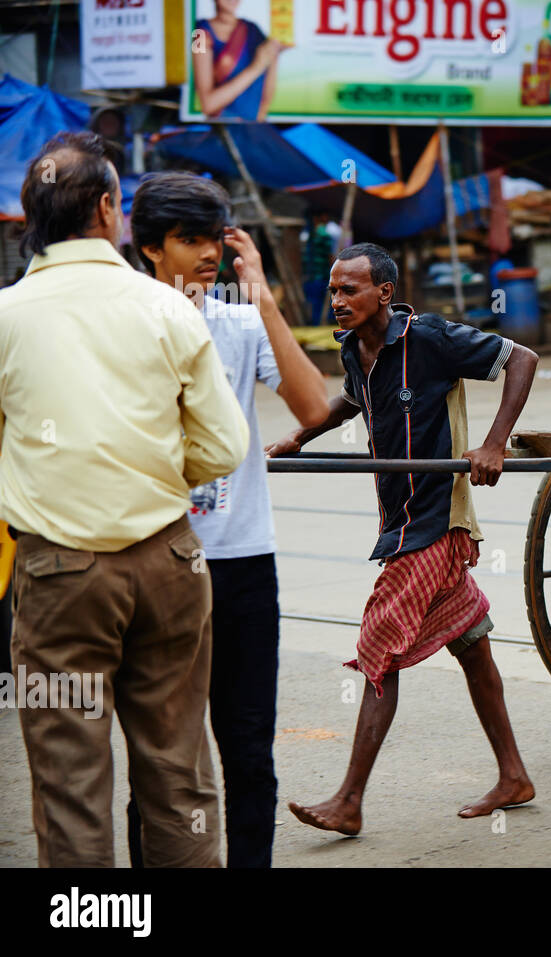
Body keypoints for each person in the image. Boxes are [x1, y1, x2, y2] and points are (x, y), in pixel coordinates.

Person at [0, 132, 249, 867]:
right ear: (108, 208)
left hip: (58, 574)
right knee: (178, 767)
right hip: (171, 563)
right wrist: (163, 475)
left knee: (71, 782)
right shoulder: (168, 309)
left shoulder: (8, 317)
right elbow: (223, 446)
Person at [266, 243, 539, 835]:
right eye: (333, 290)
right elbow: (352, 401)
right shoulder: (355, 349)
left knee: (378, 650)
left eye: (349, 290)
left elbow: (522, 357)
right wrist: (301, 435)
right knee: (470, 644)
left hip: (434, 523)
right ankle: (514, 775)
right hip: (399, 516)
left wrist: (493, 443)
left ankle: (349, 801)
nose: (336, 301)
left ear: (383, 293)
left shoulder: (431, 338)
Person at [123, 172, 331, 868]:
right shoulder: (124, 323)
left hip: (243, 560)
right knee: (161, 758)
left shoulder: (241, 322)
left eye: (215, 237)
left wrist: (266, 298)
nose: (208, 252)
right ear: (150, 248)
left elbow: (313, 410)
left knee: (248, 750)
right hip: (156, 560)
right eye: (190, 239)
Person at [193, 0, 283, 121]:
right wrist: (256, 67)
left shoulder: (253, 30)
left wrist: (275, 53)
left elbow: (265, 96)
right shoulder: (198, 33)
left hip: (253, 127)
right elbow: (208, 105)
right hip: (223, 128)